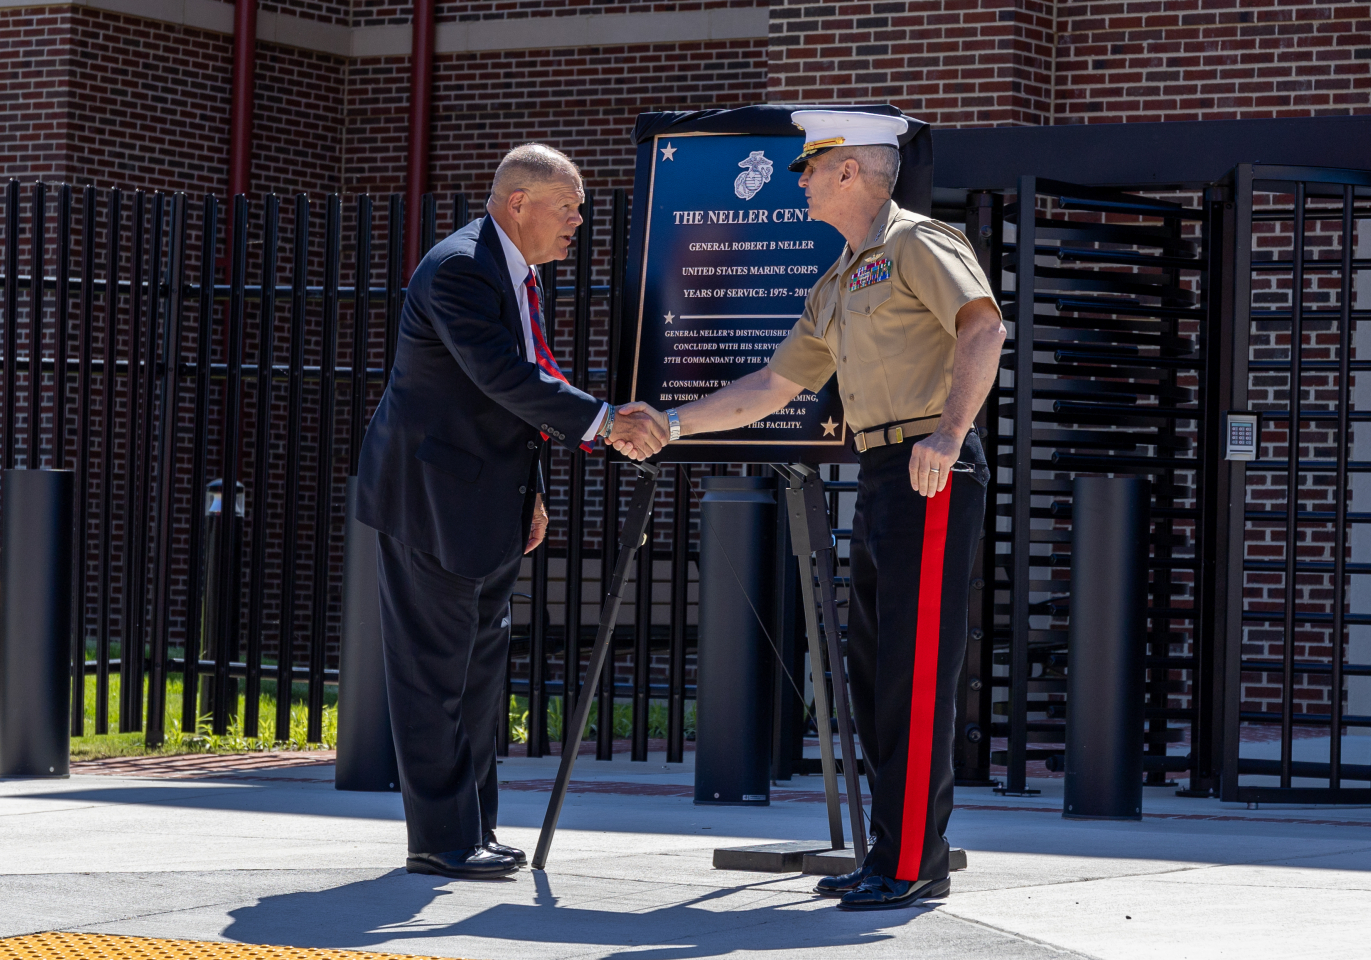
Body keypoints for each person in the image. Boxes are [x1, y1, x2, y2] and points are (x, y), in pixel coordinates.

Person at [629, 110, 1006, 910]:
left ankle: (911, 862)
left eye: (809, 166)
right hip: (881, 471)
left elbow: (984, 327)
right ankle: (895, 854)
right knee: (874, 674)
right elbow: (773, 387)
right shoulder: (839, 279)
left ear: (849, 171)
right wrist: (673, 423)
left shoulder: (917, 243)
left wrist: (948, 433)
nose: (798, 180)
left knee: (913, 673)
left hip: (928, 467)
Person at [356, 144, 667, 880]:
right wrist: (605, 422)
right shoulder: (460, 268)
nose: (579, 222)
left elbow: (507, 399)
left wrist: (531, 494)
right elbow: (502, 375)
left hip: (486, 502)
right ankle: (439, 839)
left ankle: (474, 829)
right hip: (431, 502)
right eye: (569, 207)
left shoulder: (513, 271)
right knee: (432, 675)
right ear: (518, 202)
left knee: (475, 676)